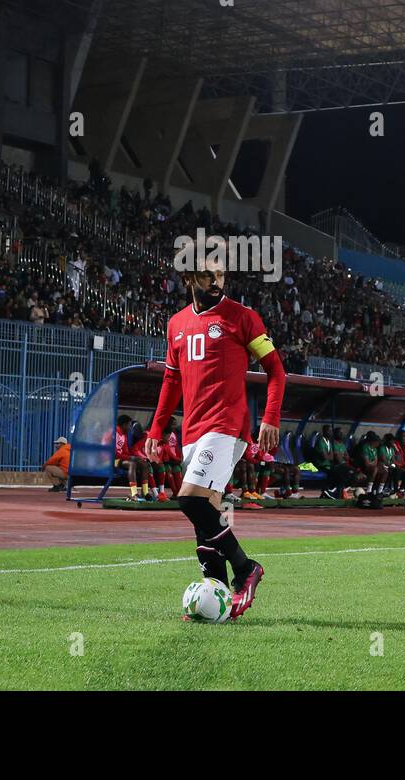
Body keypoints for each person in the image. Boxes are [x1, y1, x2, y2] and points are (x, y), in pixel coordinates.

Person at [146, 257, 285, 621]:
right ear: (190, 277)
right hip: (193, 430)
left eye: (221, 274)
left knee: (190, 500)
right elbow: (171, 381)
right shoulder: (176, 323)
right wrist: (157, 430)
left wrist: (270, 417)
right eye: (209, 275)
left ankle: (245, 569)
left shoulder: (242, 317)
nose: (217, 281)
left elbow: (276, 370)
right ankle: (216, 598)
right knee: (204, 519)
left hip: (226, 426)